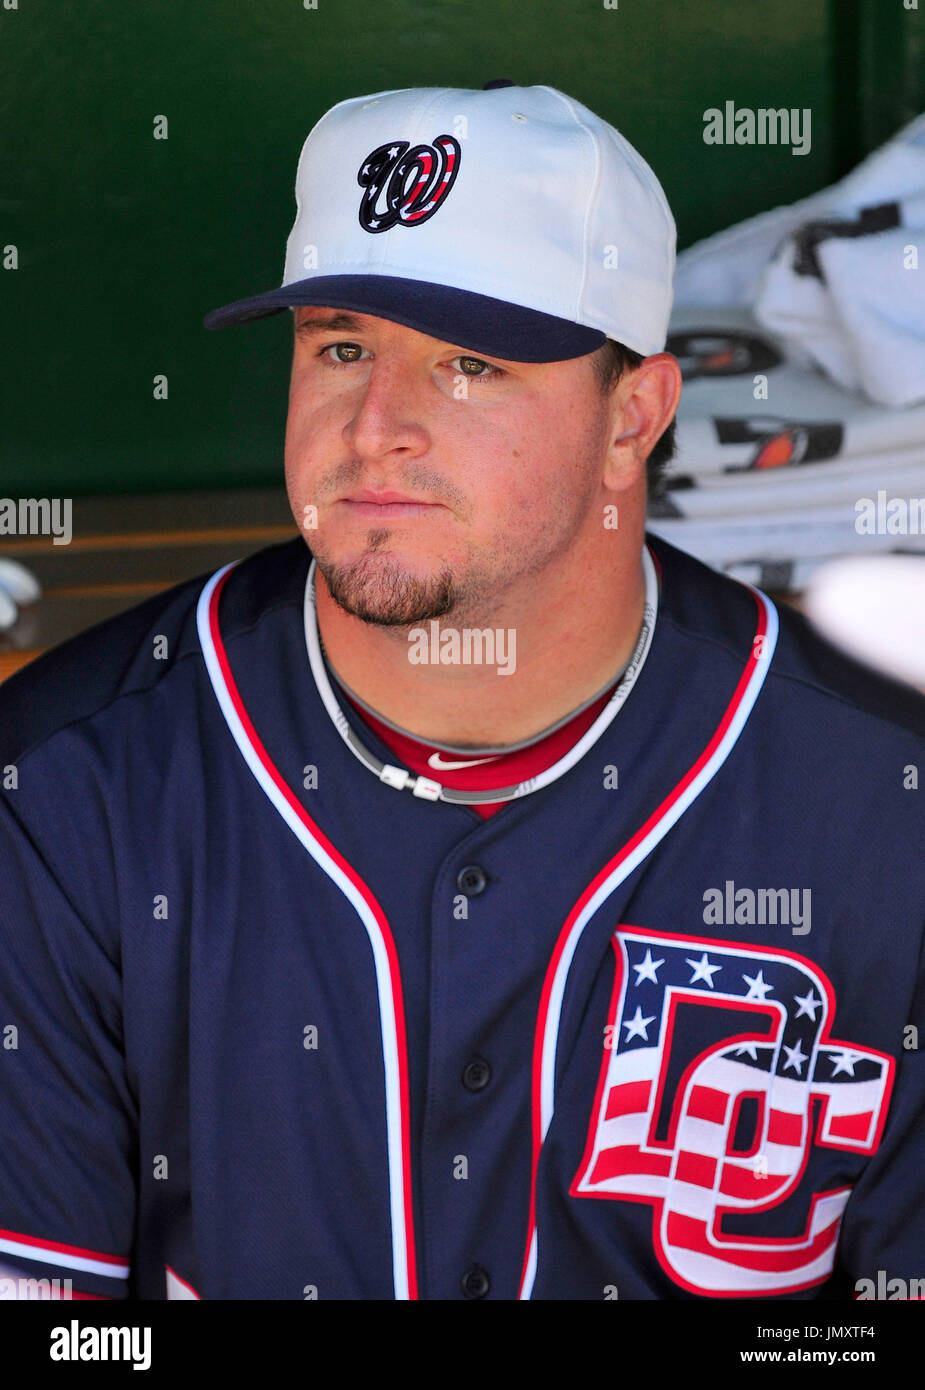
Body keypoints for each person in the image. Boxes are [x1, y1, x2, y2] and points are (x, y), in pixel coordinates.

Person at [0, 82, 922, 1302]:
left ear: (631, 416)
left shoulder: (878, 794)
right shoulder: (68, 784)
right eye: (340, 345)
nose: (376, 425)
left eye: (471, 363)